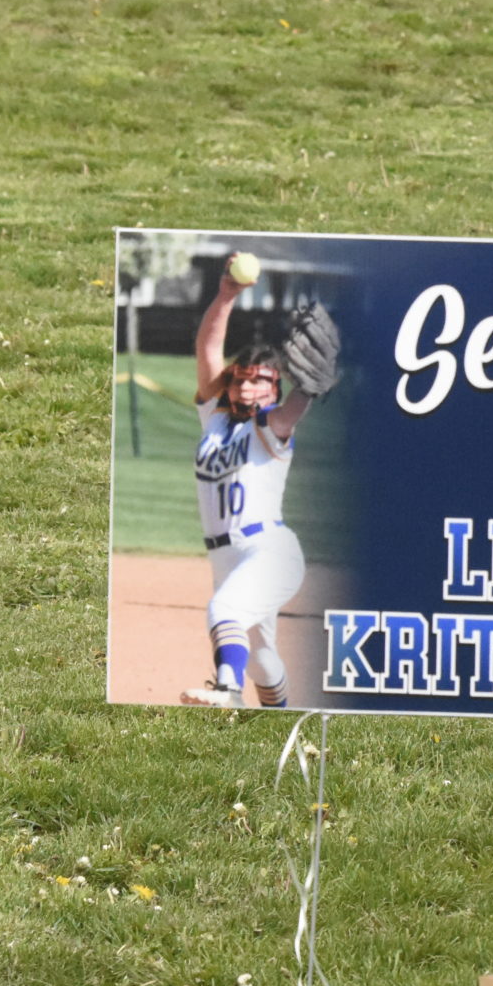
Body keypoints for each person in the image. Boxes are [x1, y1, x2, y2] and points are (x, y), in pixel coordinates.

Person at [183, 253, 320, 709]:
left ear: (273, 388)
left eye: (258, 382)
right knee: (261, 656)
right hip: (225, 556)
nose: (245, 389)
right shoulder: (216, 422)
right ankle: (276, 717)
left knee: (224, 613)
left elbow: (290, 415)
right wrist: (224, 297)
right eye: (240, 381)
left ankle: (226, 691)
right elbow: (207, 351)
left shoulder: (271, 424)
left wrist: (309, 388)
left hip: (269, 549)